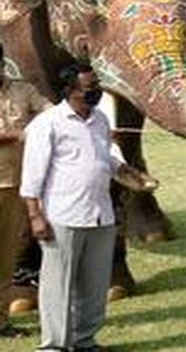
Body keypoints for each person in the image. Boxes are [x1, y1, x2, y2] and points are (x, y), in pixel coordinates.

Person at [19, 64, 155, 350]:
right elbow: (32, 174)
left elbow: (105, 157)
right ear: (71, 90)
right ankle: (54, 345)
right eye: (90, 87)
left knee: (94, 285)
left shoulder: (100, 119)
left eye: (97, 84)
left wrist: (129, 173)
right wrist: (35, 216)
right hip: (63, 216)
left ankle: (84, 341)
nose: (96, 91)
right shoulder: (49, 123)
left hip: (100, 215)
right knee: (58, 286)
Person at [0, 45, 52, 338]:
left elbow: (50, 113)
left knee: (6, 256)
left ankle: (0, 322)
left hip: (15, 187)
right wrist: (19, 134)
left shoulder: (23, 90)